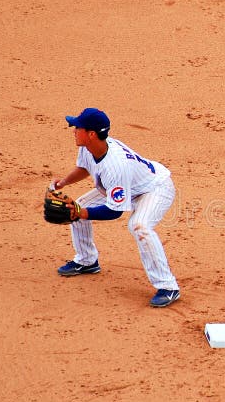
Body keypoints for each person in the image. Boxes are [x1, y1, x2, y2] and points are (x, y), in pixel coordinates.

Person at [51, 107, 182, 308]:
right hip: (126, 186)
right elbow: (84, 168)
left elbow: (114, 210)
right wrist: (64, 183)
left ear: (91, 134)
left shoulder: (115, 165)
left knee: (139, 226)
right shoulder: (88, 147)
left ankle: (168, 286)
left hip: (154, 189)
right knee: (79, 206)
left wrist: (81, 213)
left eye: (77, 127)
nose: (73, 130)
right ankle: (87, 261)